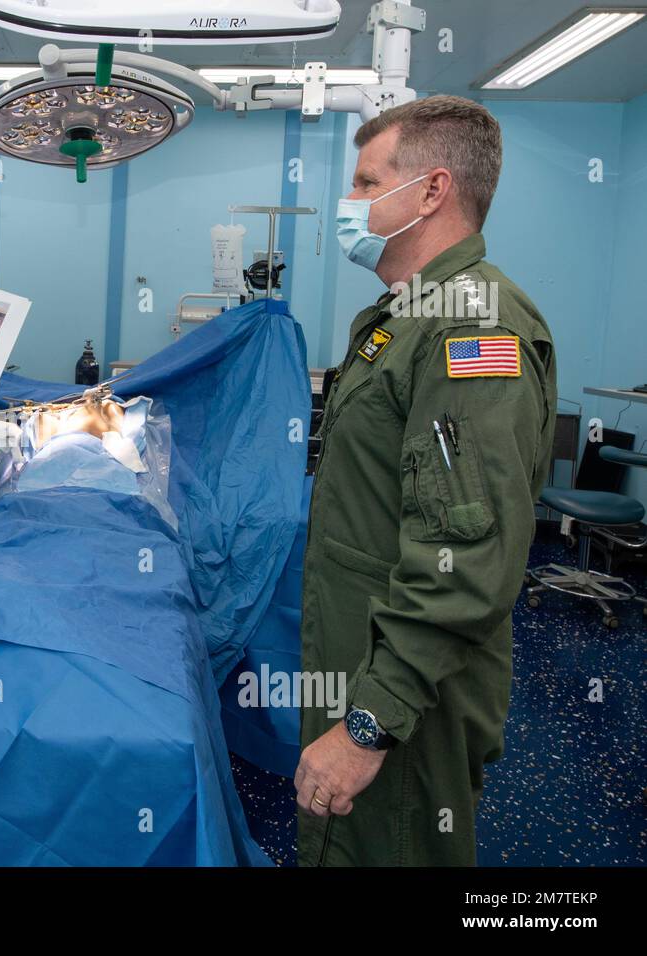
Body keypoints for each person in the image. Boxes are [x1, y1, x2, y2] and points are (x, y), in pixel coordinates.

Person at [293, 95, 557, 865]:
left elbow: (465, 560)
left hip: (409, 698)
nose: (350, 204)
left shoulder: (472, 331)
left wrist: (370, 721)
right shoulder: (400, 320)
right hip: (361, 655)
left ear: (433, 191)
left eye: (368, 183)